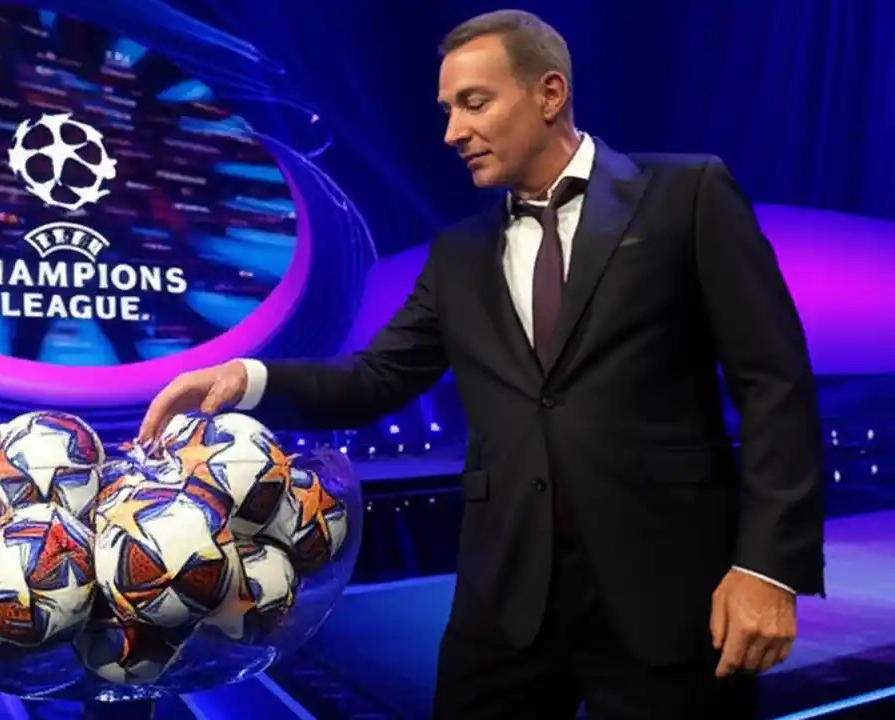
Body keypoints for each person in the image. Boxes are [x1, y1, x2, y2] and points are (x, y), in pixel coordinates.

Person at [137, 9, 824, 719]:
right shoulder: (459, 254)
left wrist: (768, 568)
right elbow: (376, 379)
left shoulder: (689, 197)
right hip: (504, 604)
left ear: (550, 93)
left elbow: (775, 383)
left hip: (671, 595)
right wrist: (248, 379)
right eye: (446, 110)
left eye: (474, 103)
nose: (452, 132)